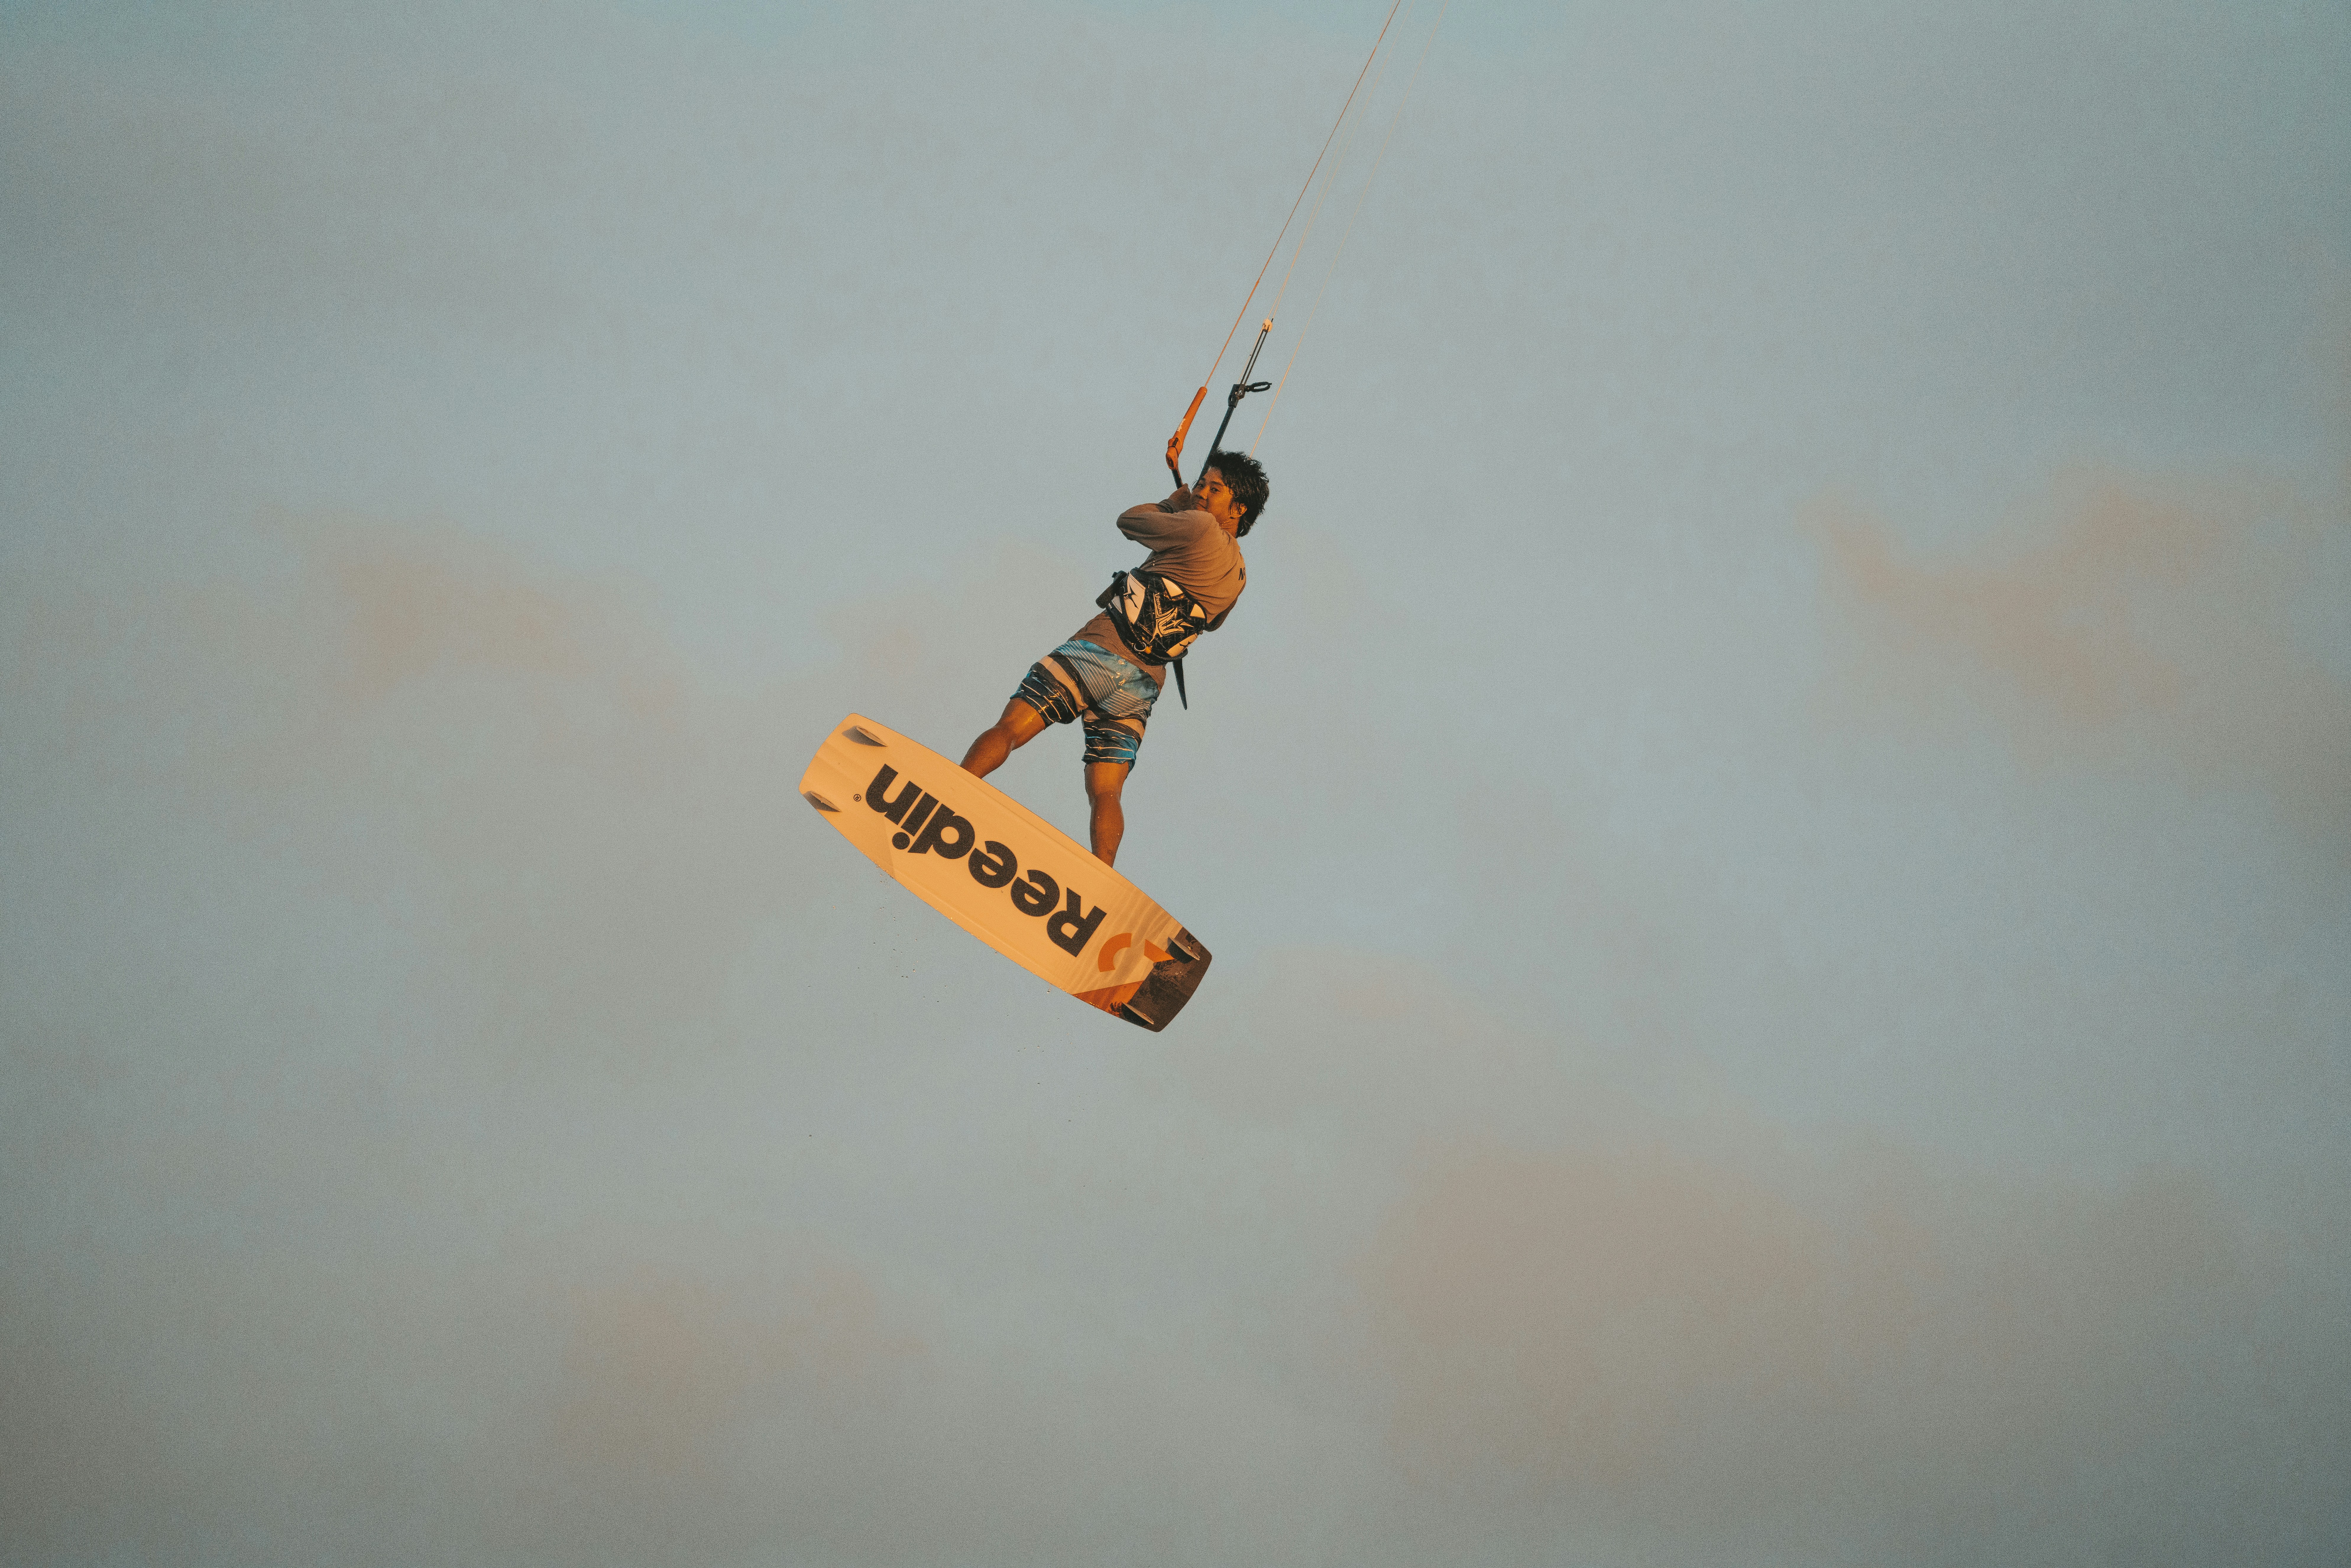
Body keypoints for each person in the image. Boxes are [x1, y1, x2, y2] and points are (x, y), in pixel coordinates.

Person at [960, 450, 1268, 867]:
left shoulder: (1199, 526)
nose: (1201, 493)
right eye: (1200, 484)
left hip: (1101, 650)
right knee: (1106, 790)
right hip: (1142, 684)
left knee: (1011, 728)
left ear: (1238, 508)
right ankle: (1102, 873)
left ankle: (957, 789)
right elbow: (1212, 623)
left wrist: (1172, 505)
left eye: (1215, 489)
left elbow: (1130, 521)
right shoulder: (1240, 575)